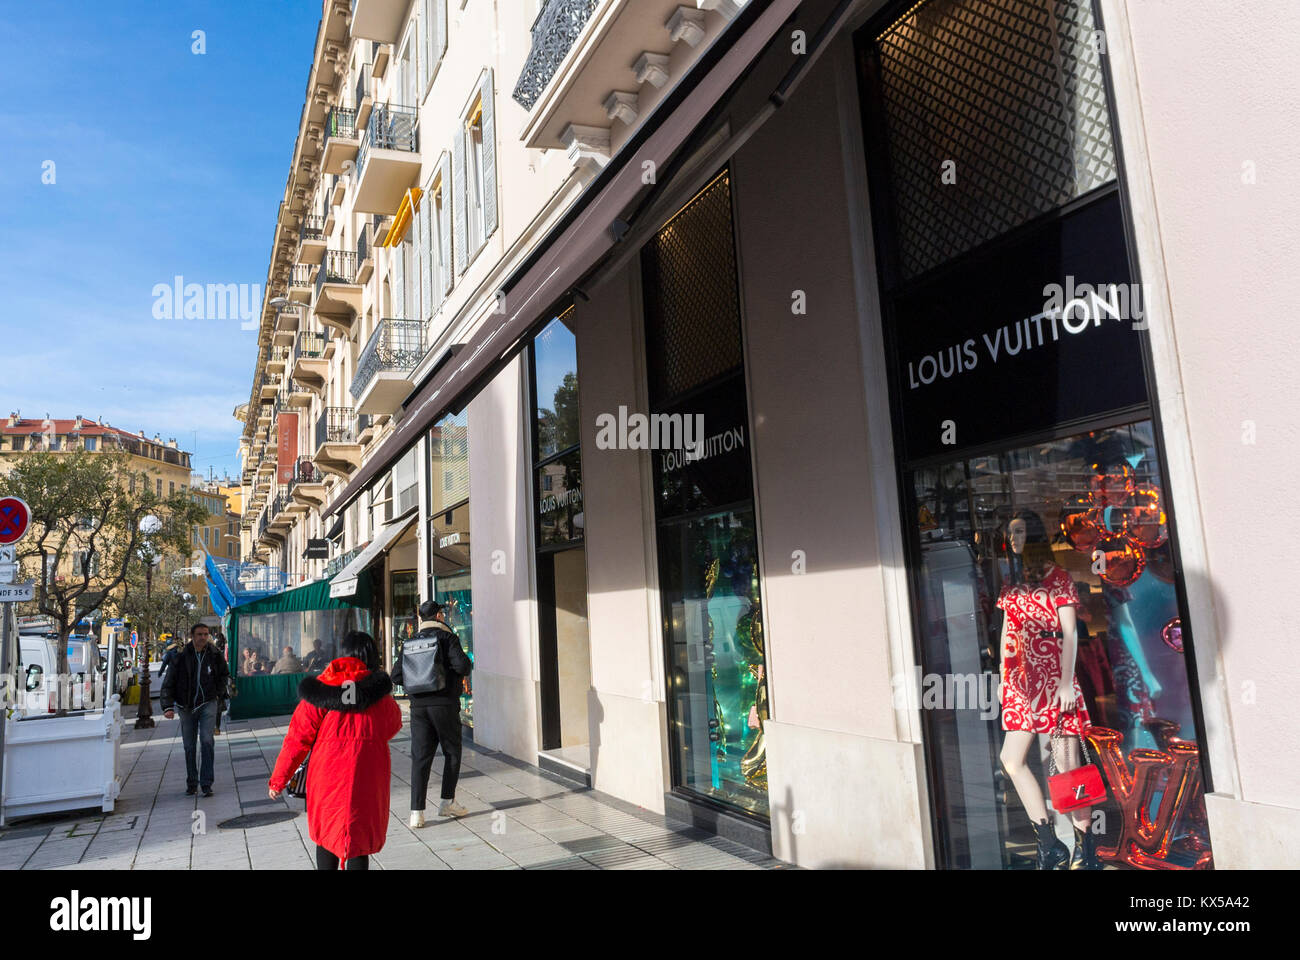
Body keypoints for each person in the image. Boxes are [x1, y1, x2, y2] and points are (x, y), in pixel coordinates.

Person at [268, 631, 401, 871]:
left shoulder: (318, 692)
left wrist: (279, 780)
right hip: (367, 774)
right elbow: (392, 726)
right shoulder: (378, 695)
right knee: (358, 839)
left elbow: (297, 739)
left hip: (326, 775)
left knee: (327, 833)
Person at [391, 600, 473, 827]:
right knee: (452, 752)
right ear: (438, 616)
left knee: (420, 758)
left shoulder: (409, 642)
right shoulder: (447, 638)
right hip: (444, 704)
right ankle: (447, 802)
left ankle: (416, 813)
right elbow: (464, 667)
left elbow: (396, 676)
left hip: (418, 708)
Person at [161, 623, 230, 797]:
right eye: (199, 634)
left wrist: (218, 693)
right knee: (189, 746)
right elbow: (169, 681)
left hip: (208, 703)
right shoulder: (181, 656)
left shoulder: (214, 655)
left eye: (206, 634)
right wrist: (167, 706)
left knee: (207, 741)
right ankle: (192, 782)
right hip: (186, 706)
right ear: (192, 635)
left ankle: (206, 783)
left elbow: (224, 674)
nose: (203, 637)